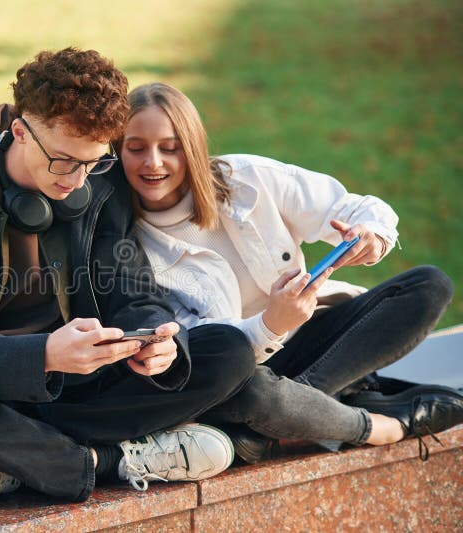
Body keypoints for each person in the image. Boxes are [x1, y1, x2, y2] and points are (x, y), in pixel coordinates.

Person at [0, 50, 257, 508]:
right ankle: (108, 461)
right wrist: (44, 355)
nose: (78, 179)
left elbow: (132, 290)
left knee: (226, 351)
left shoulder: (101, 185)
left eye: (93, 161)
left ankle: (12, 463)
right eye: (65, 161)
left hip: (89, 388)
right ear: (21, 133)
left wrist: (159, 337)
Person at [117, 82, 463, 464]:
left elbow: (356, 209)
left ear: (193, 147)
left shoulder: (247, 179)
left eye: (170, 148)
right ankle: (362, 417)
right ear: (118, 152)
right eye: (136, 148)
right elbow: (192, 346)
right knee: (251, 393)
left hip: (320, 345)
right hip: (245, 372)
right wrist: (270, 323)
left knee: (430, 286)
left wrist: (371, 236)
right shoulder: (125, 243)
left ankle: (281, 423)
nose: (153, 162)